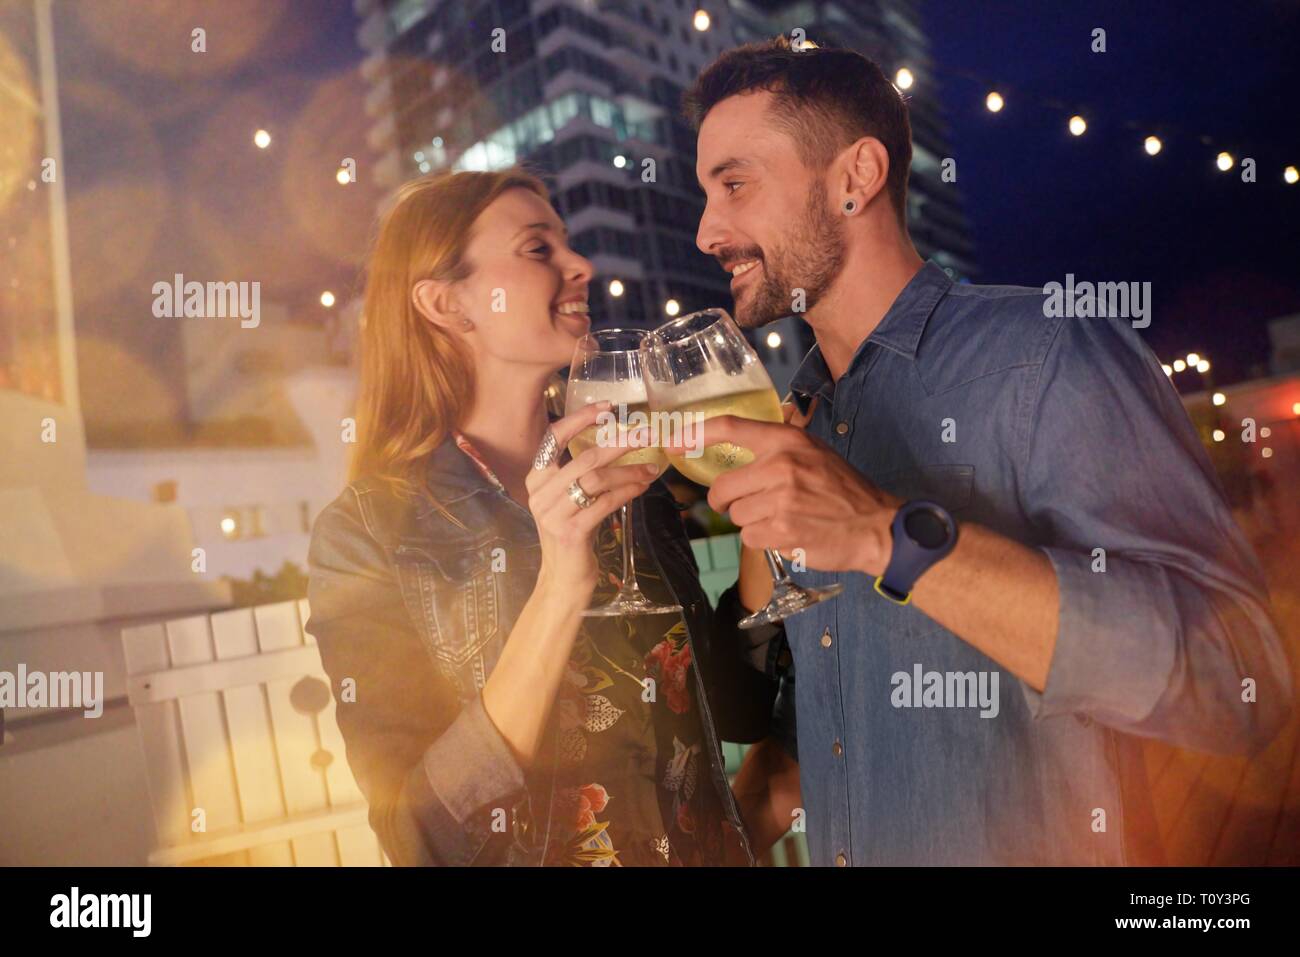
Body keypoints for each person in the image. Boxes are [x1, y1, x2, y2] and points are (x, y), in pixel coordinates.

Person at [683, 36, 1293, 865]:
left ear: (855, 178)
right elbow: (833, 724)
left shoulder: (1050, 352)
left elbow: (1239, 685)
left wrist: (886, 534)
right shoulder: (806, 421)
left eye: (736, 184)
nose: (705, 230)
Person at [304, 168, 772, 866]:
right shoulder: (368, 532)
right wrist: (560, 585)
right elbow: (421, 837)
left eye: (567, 243)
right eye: (537, 248)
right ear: (444, 302)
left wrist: (763, 521)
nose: (579, 264)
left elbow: (737, 708)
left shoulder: (633, 481)